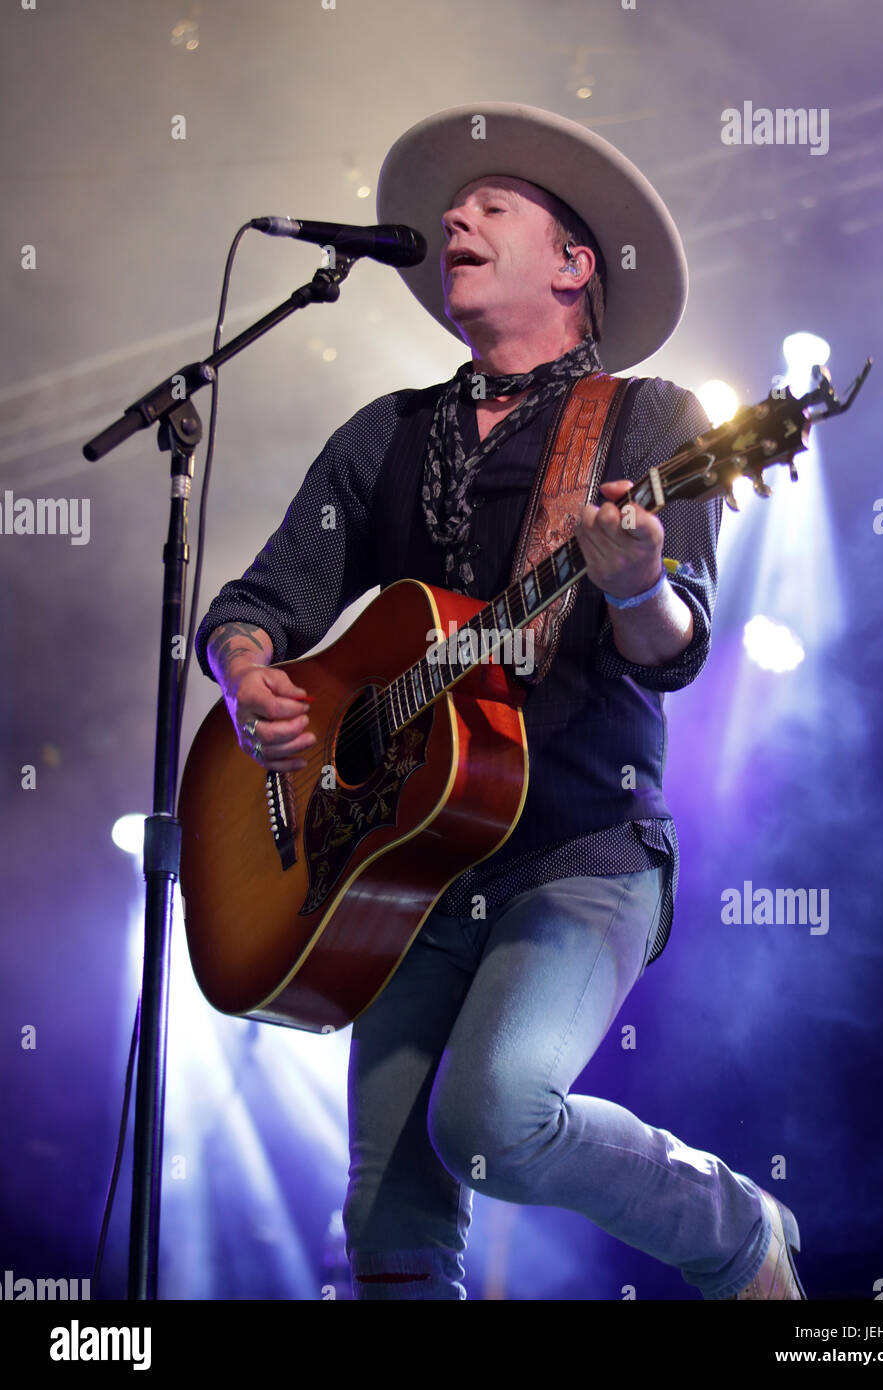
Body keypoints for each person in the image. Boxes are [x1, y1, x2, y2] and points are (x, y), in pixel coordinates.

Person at [194, 102, 806, 1302]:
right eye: (454, 205)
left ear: (575, 265)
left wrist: (635, 587)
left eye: (495, 205)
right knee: (385, 1215)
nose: (455, 216)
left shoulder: (651, 424)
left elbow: (673, 649)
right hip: (407, 867)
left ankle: (738, 1230)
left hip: (579, 848)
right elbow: (265, 597)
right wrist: (245, 665)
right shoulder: (386, 435)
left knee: (492, 1120)